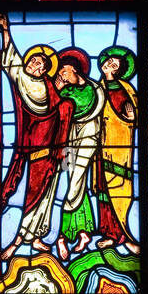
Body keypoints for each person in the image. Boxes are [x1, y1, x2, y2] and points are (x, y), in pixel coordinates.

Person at [0, 13, 64, 263]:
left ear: (46, 70)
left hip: (48, 151)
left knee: (45, 195)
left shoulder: (51, 89)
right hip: (27, 148)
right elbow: (10, 57)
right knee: (25, 194)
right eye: (33, 60)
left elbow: (60, 115)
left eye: (40, 64)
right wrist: (4, 29)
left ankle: (31, 239)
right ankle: (16, 241)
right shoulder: (20, 77)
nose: (35, 65)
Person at [55, 48, 104, 261]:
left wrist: (61, 93)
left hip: (88, 138)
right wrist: (56, 93)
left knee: (75, 183)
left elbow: (83, 107)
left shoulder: (93, 89)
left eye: (63, 71)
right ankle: (84, 233)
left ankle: (62, 235)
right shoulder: (63, 91)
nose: (61, 76)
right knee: (76, 182)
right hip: (68, 139)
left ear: (74, 69)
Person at [95, 45, 139, 253]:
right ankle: (110, 233)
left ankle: (123, 233)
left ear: (120, 70)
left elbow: (135, 115)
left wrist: (132, 119)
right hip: (97, 145)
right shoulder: (95, 87)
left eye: (114, 64)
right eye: (108, 61)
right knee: (102, 190)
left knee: (119, 187)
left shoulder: (126, 88)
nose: (109, 65)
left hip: (119, 147)